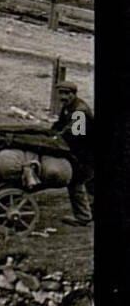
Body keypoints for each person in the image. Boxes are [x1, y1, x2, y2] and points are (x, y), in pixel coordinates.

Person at [51, 81, 94, 226]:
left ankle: (83, 217)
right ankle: (89, 211)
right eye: (61, 93)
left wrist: (56, 139)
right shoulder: (68, 107)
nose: (63, 96)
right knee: (86, 182)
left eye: (67, 93)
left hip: (85, 152)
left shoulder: (80, 111)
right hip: (80, 150)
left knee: (77, 180)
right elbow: (61, 124)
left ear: (74, 94)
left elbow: (75, 134)